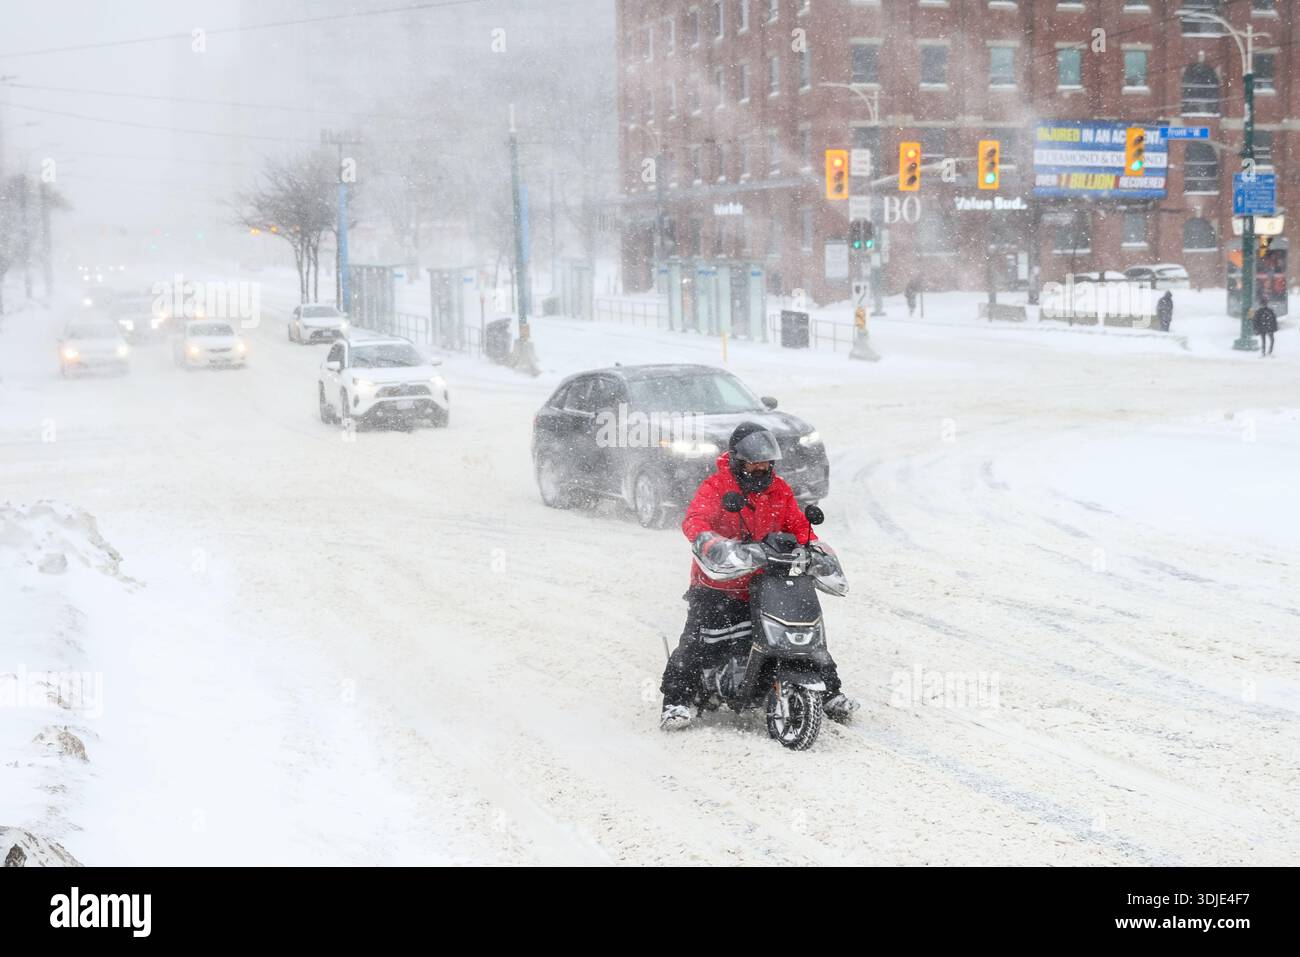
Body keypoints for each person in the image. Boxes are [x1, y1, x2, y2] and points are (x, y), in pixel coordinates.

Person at [659, 422, 859, 730]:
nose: (761, 467)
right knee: (698, 644)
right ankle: (677, 701)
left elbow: (797, 525)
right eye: (755, 461)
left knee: (799, 633)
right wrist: (714, 544)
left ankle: (830, 691)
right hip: (719, 584)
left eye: (766, 462)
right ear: (739, 460)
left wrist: (813, 548)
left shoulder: (779, 489)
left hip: (768, 583)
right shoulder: (716, 487)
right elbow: (695, 521)